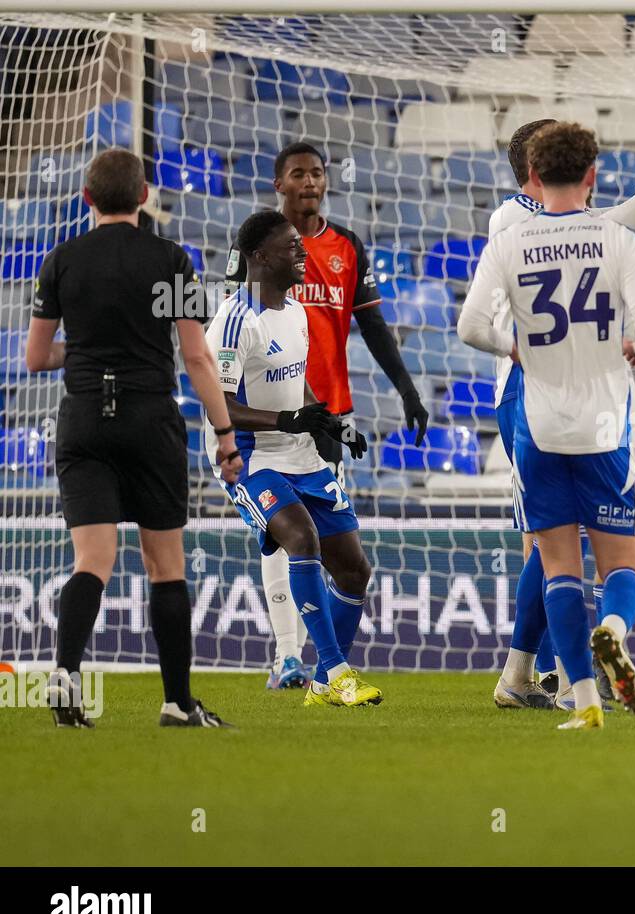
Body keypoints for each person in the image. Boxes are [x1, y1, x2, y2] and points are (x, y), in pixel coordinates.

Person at [458, 122, 635, 730]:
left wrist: (512, 347)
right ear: (593, 175)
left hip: (538, 425)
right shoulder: (616, 238)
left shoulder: (510, 240)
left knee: (557, 567)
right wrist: (631, 349)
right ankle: (612, 629)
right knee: (623, 567)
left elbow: (470, 327)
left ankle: (584, 702)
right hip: (604, 426)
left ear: (532, 176)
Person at [26, 147, 242, 729]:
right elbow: (196, 356)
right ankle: (176, 702)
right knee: (165, 565)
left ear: (87, 199)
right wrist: (225, 436)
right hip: (150, 418)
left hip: (85, 419)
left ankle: (66, 671)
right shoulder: (175, 259)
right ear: (144, 197)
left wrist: (89, 354)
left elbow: (37, 356)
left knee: (91, 560)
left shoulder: (61, 259)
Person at [223, 141, 428, 691]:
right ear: (280, 185)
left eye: (317, 173)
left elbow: (375, 327)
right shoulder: (252, 260)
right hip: (265, 429)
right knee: (287, 535)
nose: (310, 182)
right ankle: (289, 656)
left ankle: (321, 666)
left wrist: (406, 390)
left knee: (333, 551)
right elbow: (227, 340)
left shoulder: (345, 247)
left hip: (324, 417)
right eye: (299, 174)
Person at [209, 209, 379, 707]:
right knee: (301, 538)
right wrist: (284, 422)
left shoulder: (297, 311)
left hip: (301, 454)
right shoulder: (234, 318)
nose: (303, 253)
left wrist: (326, 420)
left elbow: (297, 385)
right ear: (260, 257)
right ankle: (337, 673)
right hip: (249, 458)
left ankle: (326, 686)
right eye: (291, 247)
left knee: (353, 570)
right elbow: (221, 405)